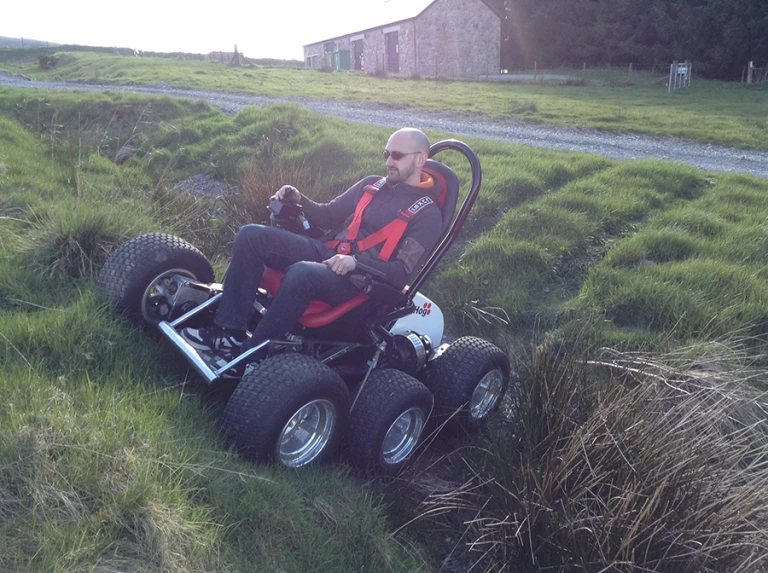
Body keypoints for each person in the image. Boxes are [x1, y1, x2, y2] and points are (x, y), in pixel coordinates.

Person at [181, 127, 442, 358]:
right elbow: (328, 214)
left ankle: (252, 355)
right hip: (327, 252)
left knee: (302, 273)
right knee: (251, 235)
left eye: (397, 155)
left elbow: (399, 274)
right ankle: (229, 331)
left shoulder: (428, 215)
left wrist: (355, 263)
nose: (388, 162)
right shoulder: (371, 185)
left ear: (421, 159)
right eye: (386, 154)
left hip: (360, 282)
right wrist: (298, 197)